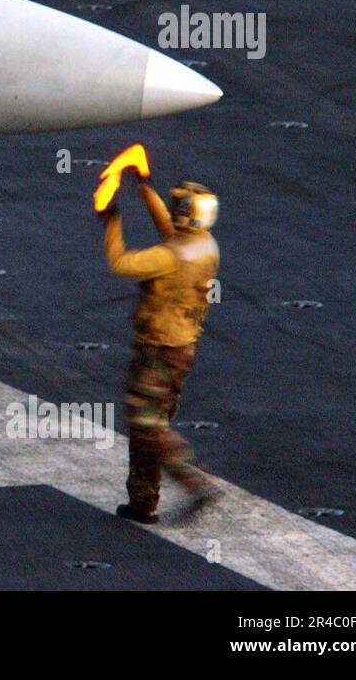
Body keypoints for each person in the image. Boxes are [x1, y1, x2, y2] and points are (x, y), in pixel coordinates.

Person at [99, 171, 222, 524]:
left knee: (145, 422)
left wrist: (111, 218)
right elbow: (170, 228)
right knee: (148, 428)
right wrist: (144, 188)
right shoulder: (204, 246)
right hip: (182, 348)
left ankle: (195, 482)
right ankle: (142, 503)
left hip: (158, 351)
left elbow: (120, 263)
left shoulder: (171, 256)